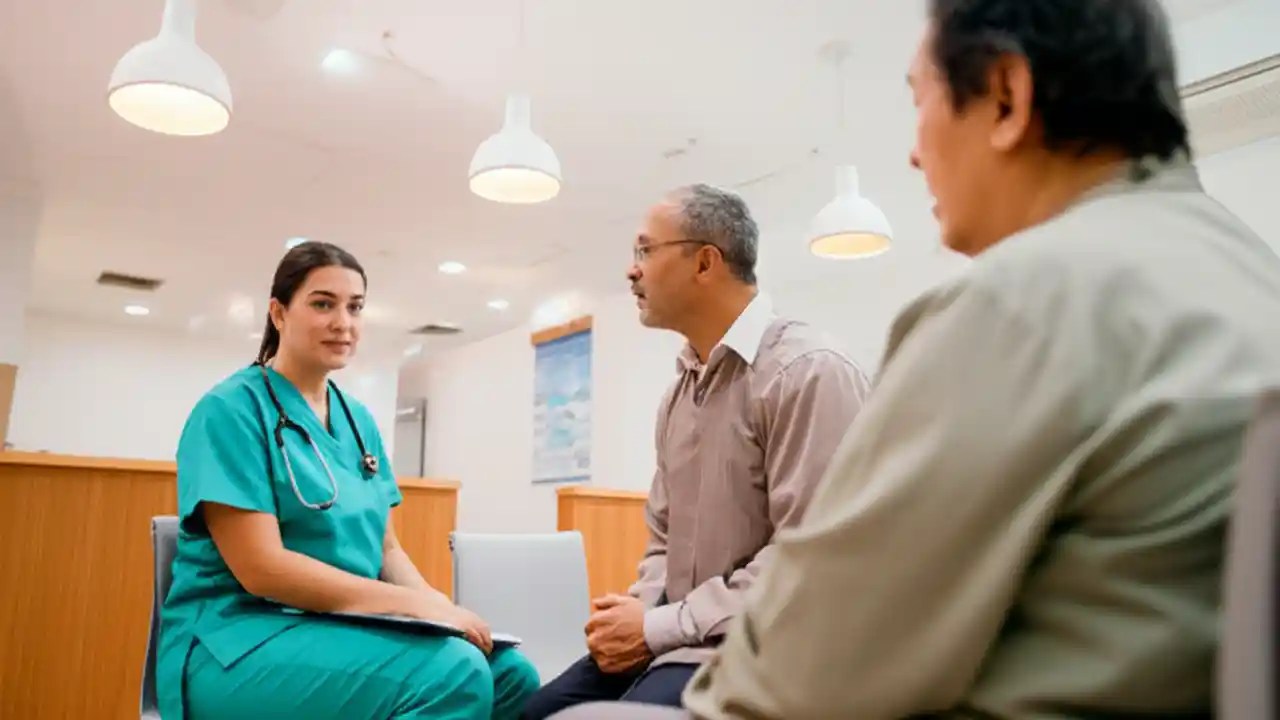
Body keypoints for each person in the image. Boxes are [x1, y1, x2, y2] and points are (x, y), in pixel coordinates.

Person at [552, 1, 1280, 718]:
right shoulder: (1253, 277)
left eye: (919, 101)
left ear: (1005, 96)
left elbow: (817, 656)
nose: (912, 151)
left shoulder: (1011, 307)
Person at [521, 184, 872, 719]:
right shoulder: (680, 393)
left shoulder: (808, 372)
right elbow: (664, 538)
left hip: (764, 649)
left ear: (705, 262)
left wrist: (658, 626)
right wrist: (640, 610)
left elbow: (811, 562)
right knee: (531, 711)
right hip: (679, 642)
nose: (631, 271)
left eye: (645, 250)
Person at [157, 241, 540, 720]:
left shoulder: (358, 420)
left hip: (336, 630)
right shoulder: (229, 412)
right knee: (453, 675)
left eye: (355, 307)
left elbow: (387, 552)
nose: (344, 323)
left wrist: (437, 607)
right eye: (323, 304)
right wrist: (411, 608)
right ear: (278, 313)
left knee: (510, 677)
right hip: (235, 640)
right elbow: (262, 569)